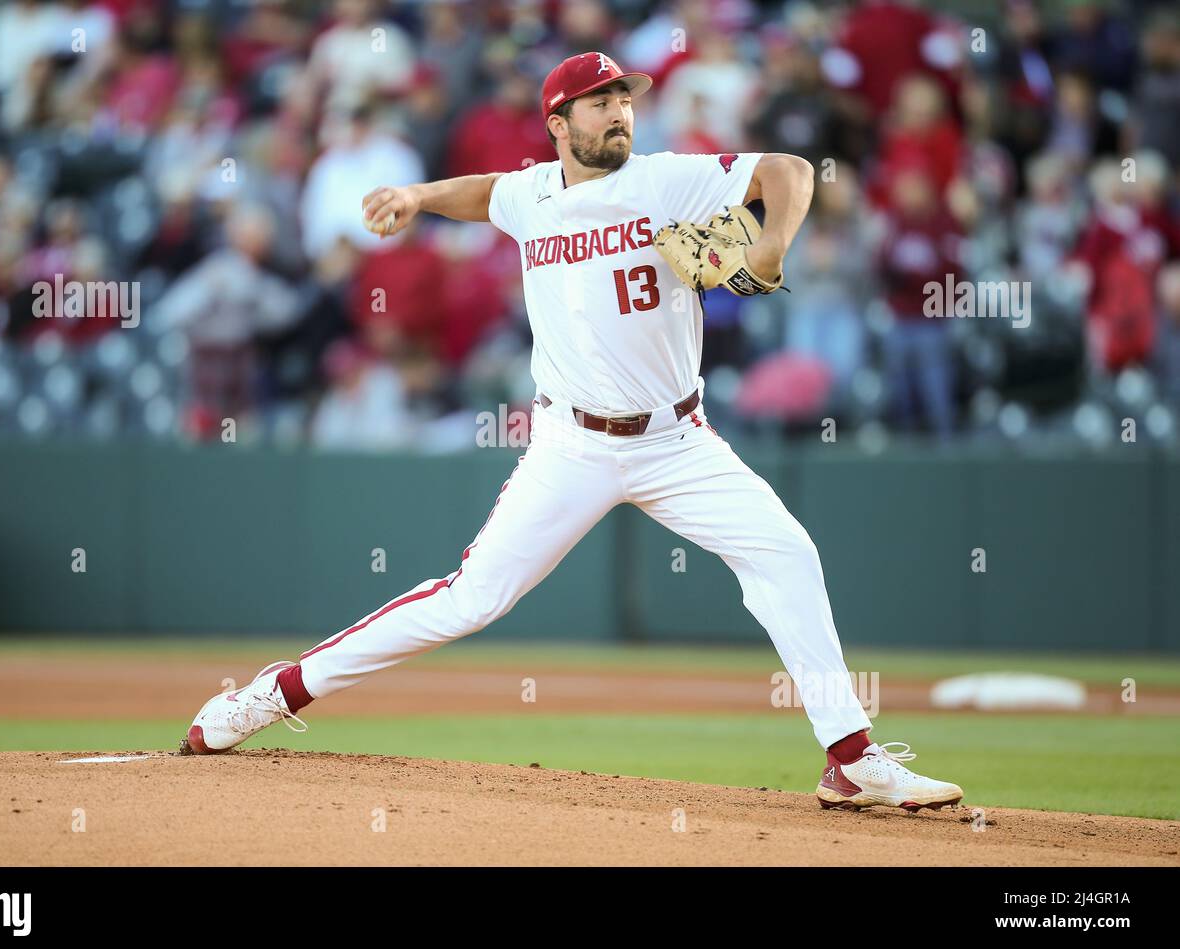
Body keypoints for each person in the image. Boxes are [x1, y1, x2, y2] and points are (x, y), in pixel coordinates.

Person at [181, 52, 963, 814]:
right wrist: (418, 196)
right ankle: (275, 692)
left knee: (787, 555)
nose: (620, 111)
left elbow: (789, 171)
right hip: (572, 446)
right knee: (470, 598)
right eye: (601, 101)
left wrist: (771, 241)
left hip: (677, 442)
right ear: (558, 121)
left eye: (625, 99)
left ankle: (851, 760)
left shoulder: (664, 178)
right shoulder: (531, 195)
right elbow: (484, 192)